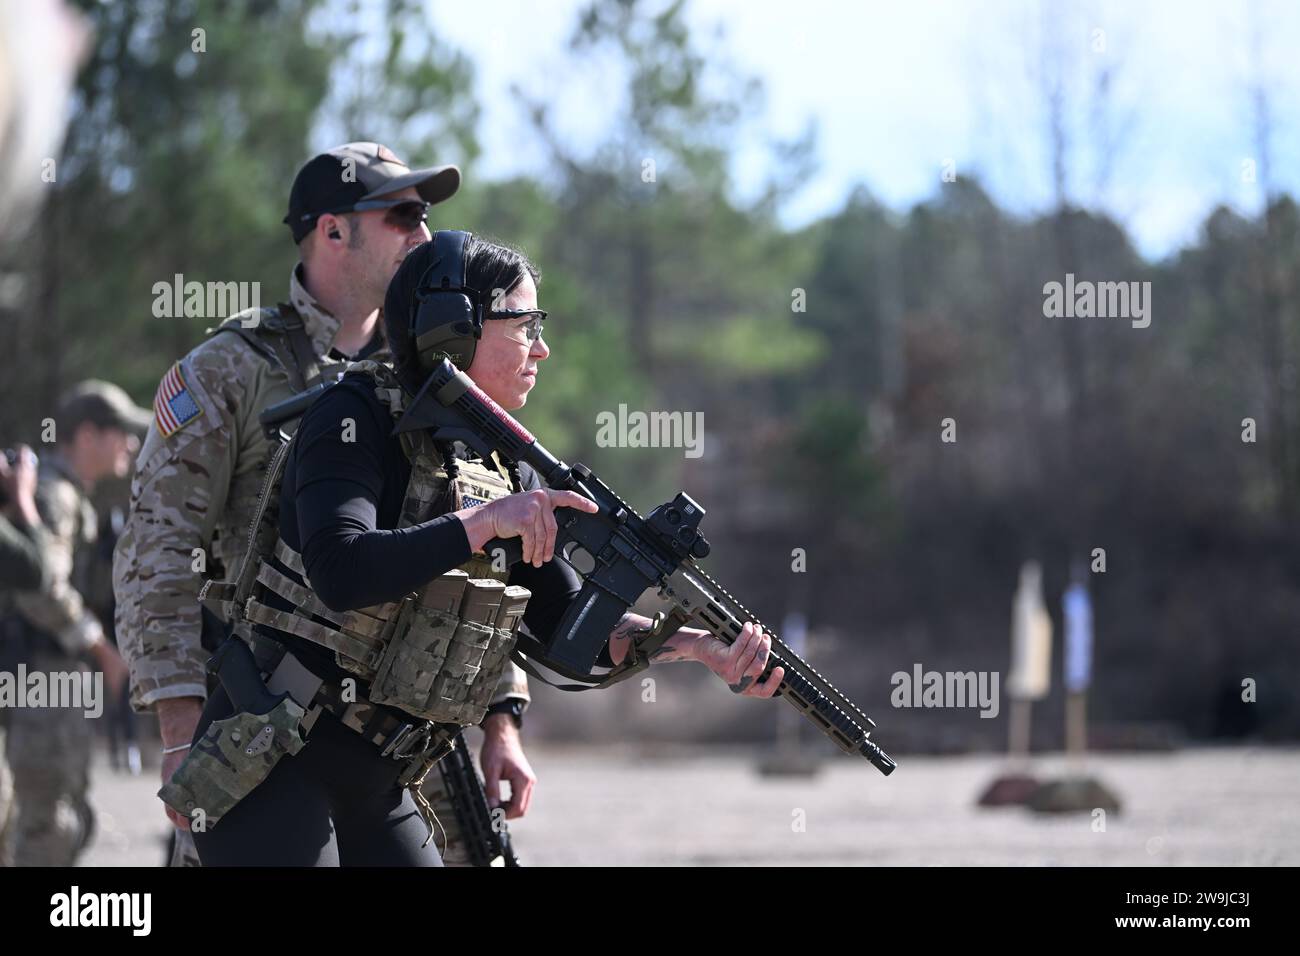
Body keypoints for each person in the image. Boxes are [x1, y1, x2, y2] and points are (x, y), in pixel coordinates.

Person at [179, 232, 784, 866]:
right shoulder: (355, 416)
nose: (542, 349)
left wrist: (690, 645)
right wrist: (486, 523)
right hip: (274, 753)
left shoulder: (505, 470)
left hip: (379, 779)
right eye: (525, 326)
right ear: (454, 329)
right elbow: (342, 569)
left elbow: (563, 632)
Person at [113, 142, 535, 867]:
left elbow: (479, 552)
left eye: (426, 215)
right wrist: (182, 729)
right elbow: (157, 552)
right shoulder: (232, 370)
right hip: (259, 728)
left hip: (397, 734)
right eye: (403, 214)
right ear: (333, 231)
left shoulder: (423, 378)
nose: (424, 235)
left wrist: (503, 717)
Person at [0, 382, 142, 865]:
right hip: (40, 674)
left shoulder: (66, 495)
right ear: (86, 436)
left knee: (61, 817)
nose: (131, 445)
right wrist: (102, 648)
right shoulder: (56, 497)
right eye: (120, 433)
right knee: (48, 823)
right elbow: (42, 588)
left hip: (50, 675)